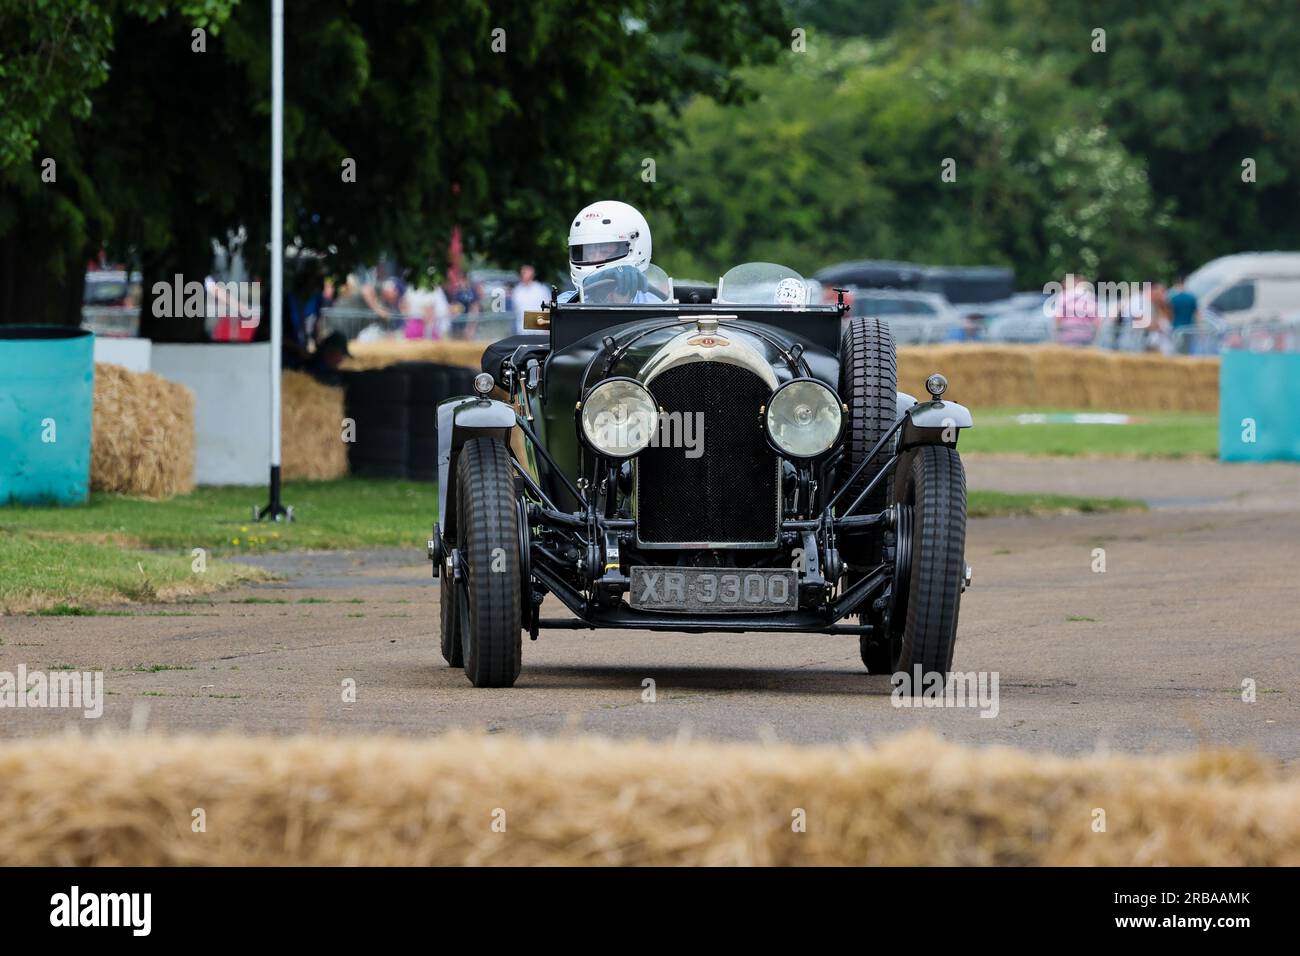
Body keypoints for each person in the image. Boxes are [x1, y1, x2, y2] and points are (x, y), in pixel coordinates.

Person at [560, 200, 653, 302]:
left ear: (637, 249)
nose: (595, 258)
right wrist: (591, 297)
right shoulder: (565, 301)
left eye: (604, 251)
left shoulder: (657, 303)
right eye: (589, 252)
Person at [512, 264, 549, 333]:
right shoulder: (517, 290)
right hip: (522, 328)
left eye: (527, 272)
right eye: (523, 272)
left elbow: (547, 308)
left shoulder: (541, 289)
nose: (525, 275)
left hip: (539, 328)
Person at [1167, 275, 1199, 354]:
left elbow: (1170, 315)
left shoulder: (1172, 298)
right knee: (1187, 351)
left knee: (1177, 351)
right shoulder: (1192, 297)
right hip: (1189, 328)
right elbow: (1197, 314)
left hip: (1176, 328)